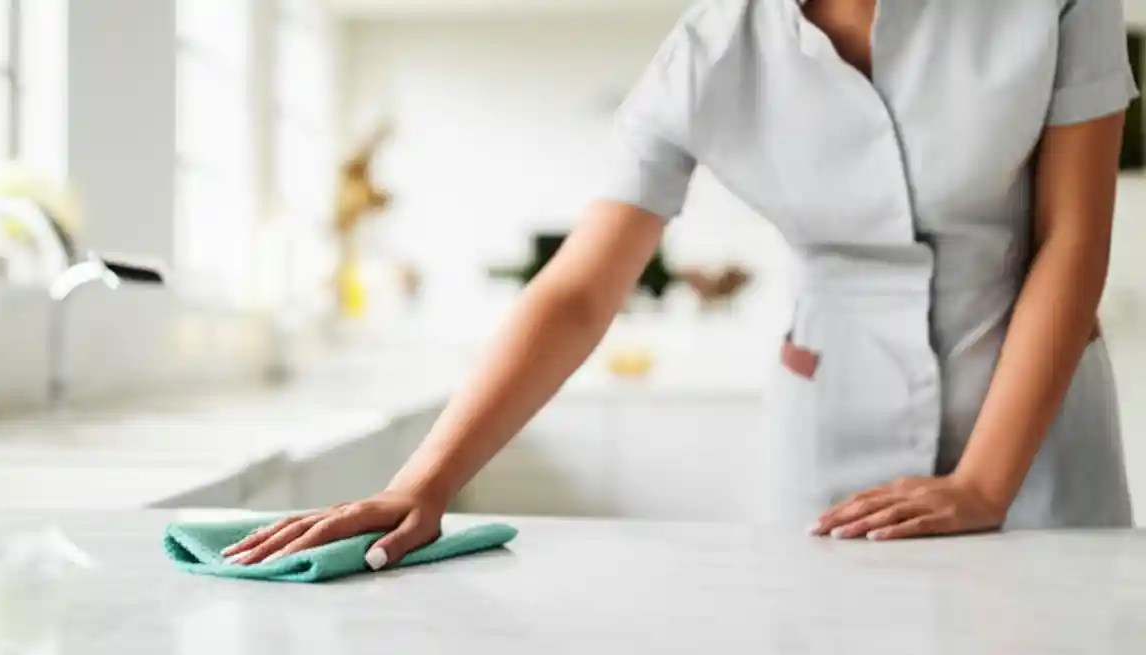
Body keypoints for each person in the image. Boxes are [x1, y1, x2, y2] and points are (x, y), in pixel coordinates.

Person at [225, 0, 1138, 568]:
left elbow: (1069, 243)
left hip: (1033, 442)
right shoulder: (710, 50)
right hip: (829, 446)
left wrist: (985, 483)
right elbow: (580, 288)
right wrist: (423, 480)